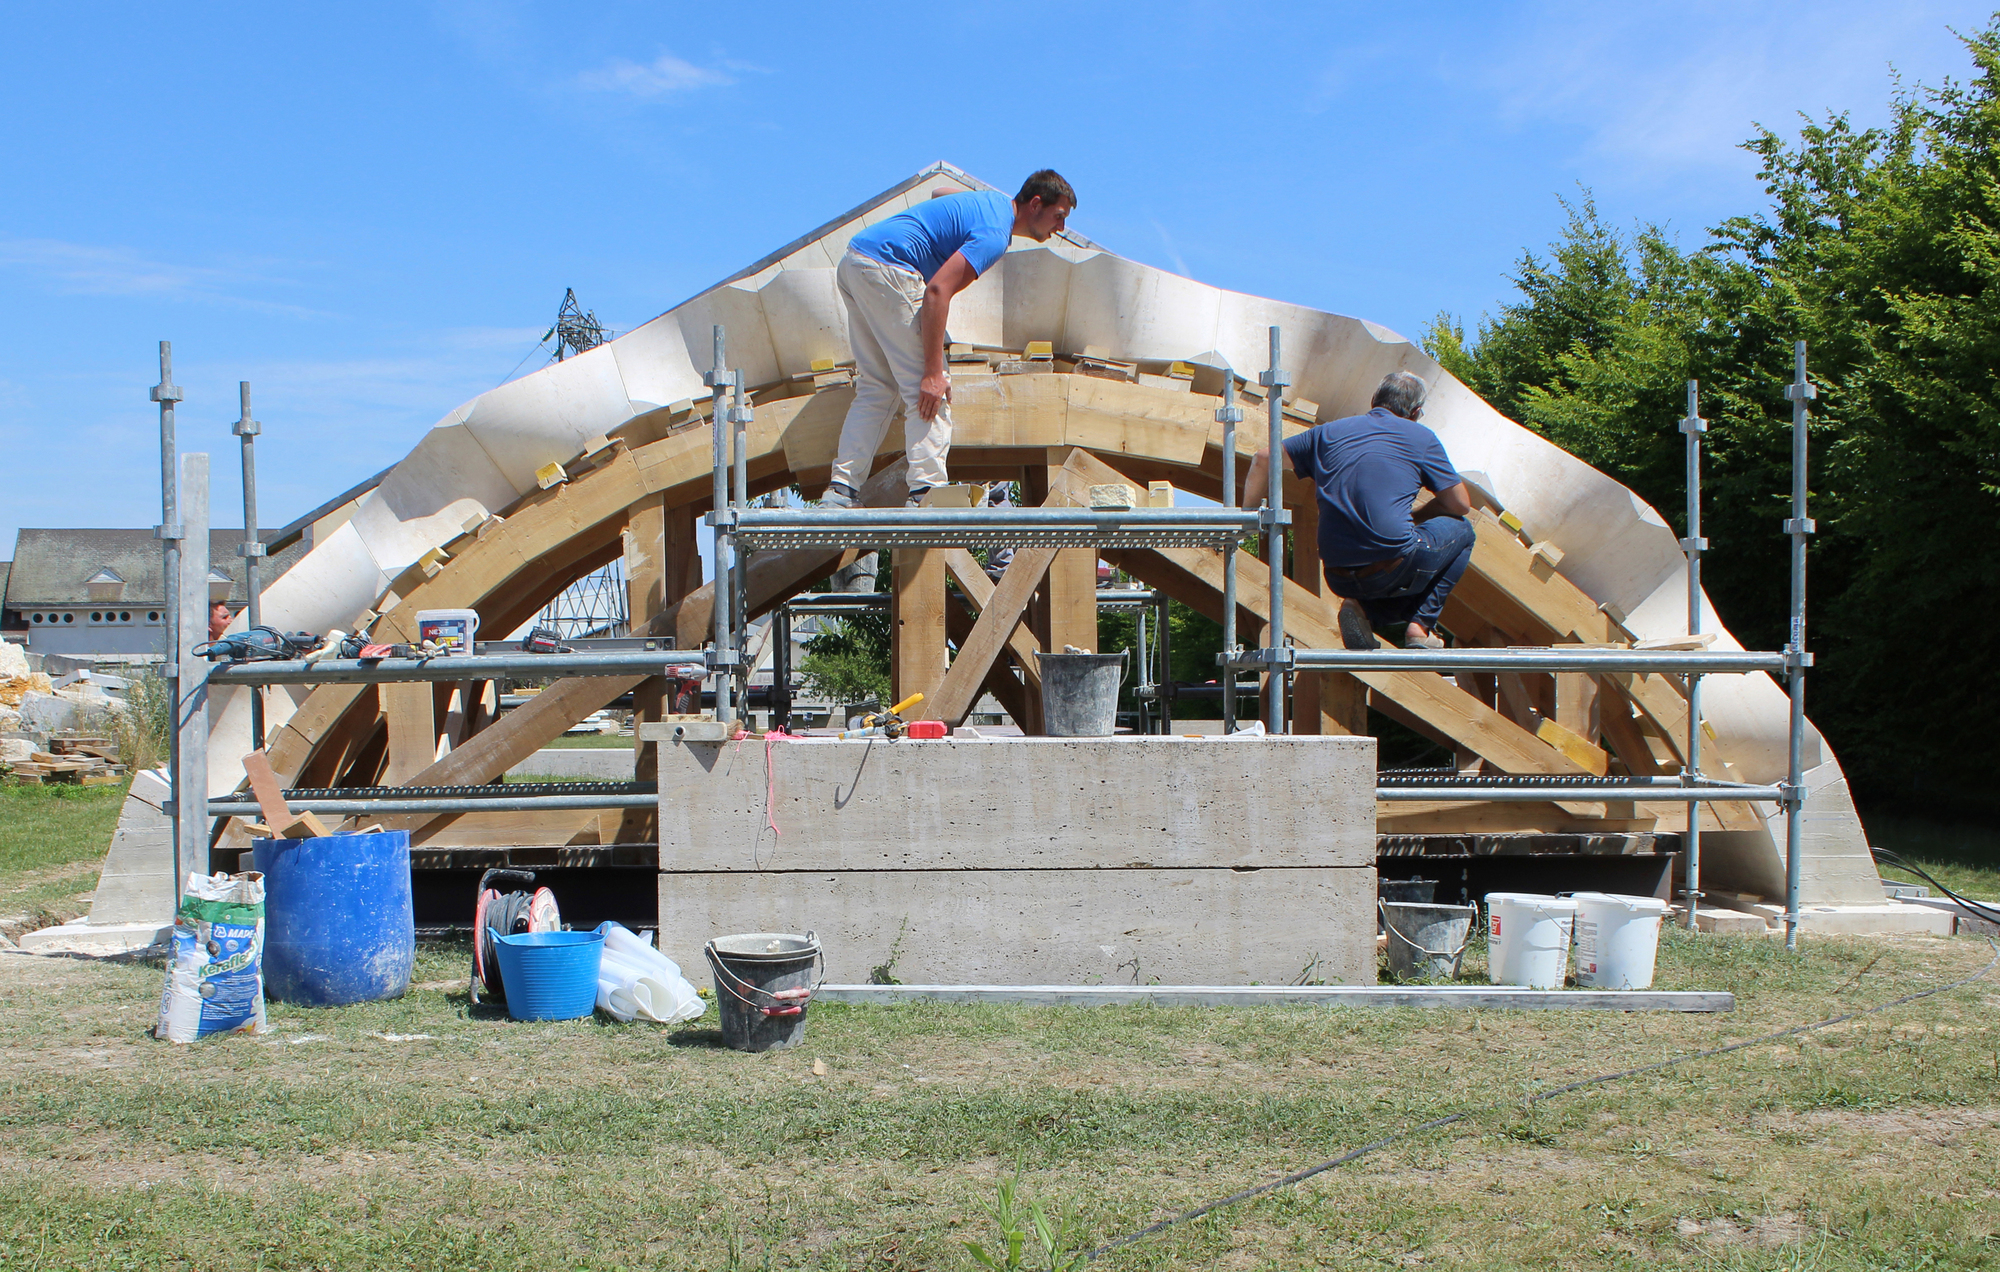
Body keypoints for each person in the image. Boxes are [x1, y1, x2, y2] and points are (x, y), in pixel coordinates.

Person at [821, 171, 1076, 510]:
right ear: (1035, 204)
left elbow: (939, 191)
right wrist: (931, 372)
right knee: (930, 393)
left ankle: (841, 491)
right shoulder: (994, 235)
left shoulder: (992, 204)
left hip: (856, 261)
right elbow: (937, 291)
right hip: (889, 269)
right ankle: (926, 494)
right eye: (1058, 216)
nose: (1059, 228)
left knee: (878, 387)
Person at [1242, 370, 1473, 650]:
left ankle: (1361, 610)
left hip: (1336, 575)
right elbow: (1460, 504)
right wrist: (1416, 516)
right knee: (1462, 530)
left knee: (1386, 563)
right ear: (1416, 412)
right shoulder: (1421, 437)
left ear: (1374, 399)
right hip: (1392, 565)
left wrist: (1246, 519)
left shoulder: (1328, 433)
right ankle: (1420, 626)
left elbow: (1263, 458)